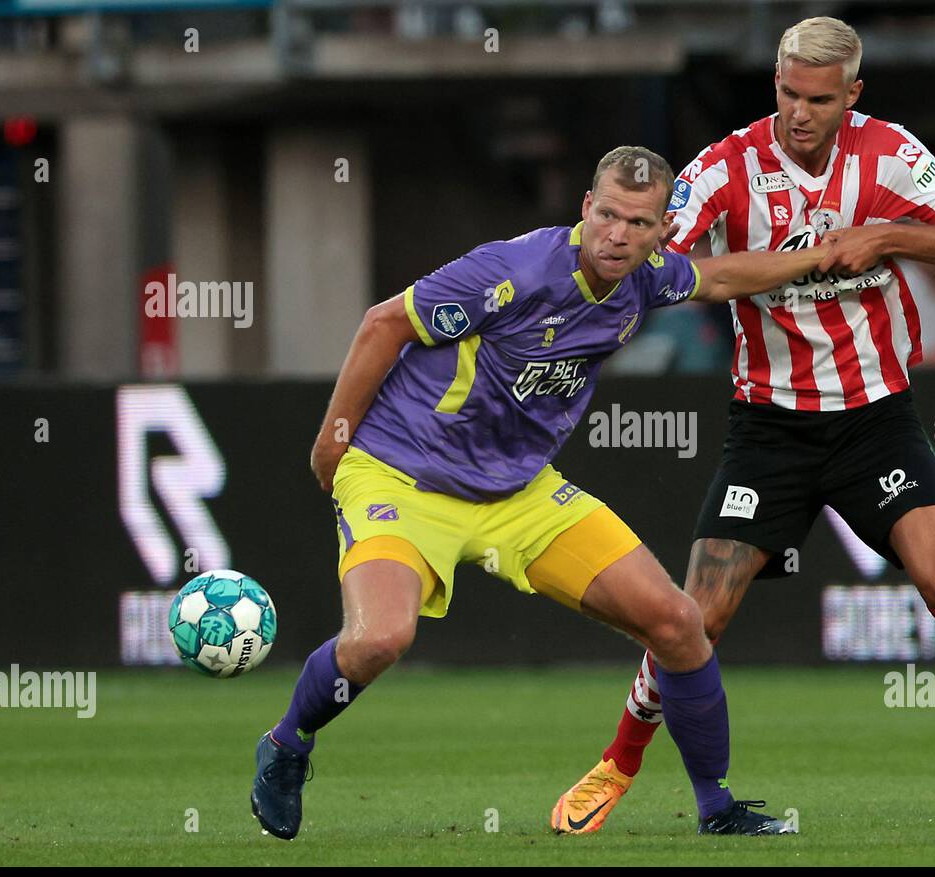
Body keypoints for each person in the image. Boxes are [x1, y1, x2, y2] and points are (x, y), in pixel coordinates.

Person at [553, 17, 935, 833]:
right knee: (695, 617)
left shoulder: (889, 153)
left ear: (851, 96)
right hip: (770, 427)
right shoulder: (725, 167)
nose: (799, 111)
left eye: (818, 99)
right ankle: (617, 764)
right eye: (788, 92)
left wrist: (887, 235)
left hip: (877, 420)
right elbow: (672, 270)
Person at [251, 145, 854, 840]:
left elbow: (720, 277)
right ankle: (288, 743)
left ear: (662, 232)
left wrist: (820, 257)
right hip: (402, 474)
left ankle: (717, 808)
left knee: (679, 624)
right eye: (606, 215)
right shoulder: (514, 271)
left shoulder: (647, 281)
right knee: (380, 638)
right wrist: (334, 437)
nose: (617, 234)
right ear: (584, 209)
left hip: (518, 494)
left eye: (637, 222)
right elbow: (384, 323)